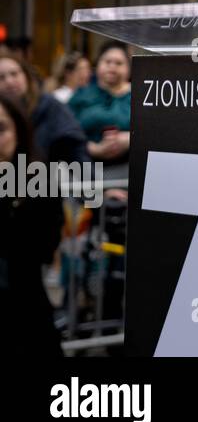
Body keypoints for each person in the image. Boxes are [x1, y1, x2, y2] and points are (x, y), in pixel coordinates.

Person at [0, 93, 65, 355]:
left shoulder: (39, 179)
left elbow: (45, 247)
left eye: (1, 128)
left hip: (25, 307)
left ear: (19, 129)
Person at [0, 48, 87, 166]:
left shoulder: (49, 105)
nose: (9, 81)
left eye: (14, 74)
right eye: (1, 77)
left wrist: (92, 182)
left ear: (26, 76)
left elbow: (74, 147)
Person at [68, 41, 132, 165]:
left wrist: (131, 139)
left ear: (128, 68)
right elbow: (66, 132)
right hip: (86, 168)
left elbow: (155, 131)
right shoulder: (81, 95)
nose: (112, 66)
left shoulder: (140, 96)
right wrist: (94, 148)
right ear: (97, 65)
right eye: (107, 62)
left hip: (130, 168)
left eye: (119, 63)